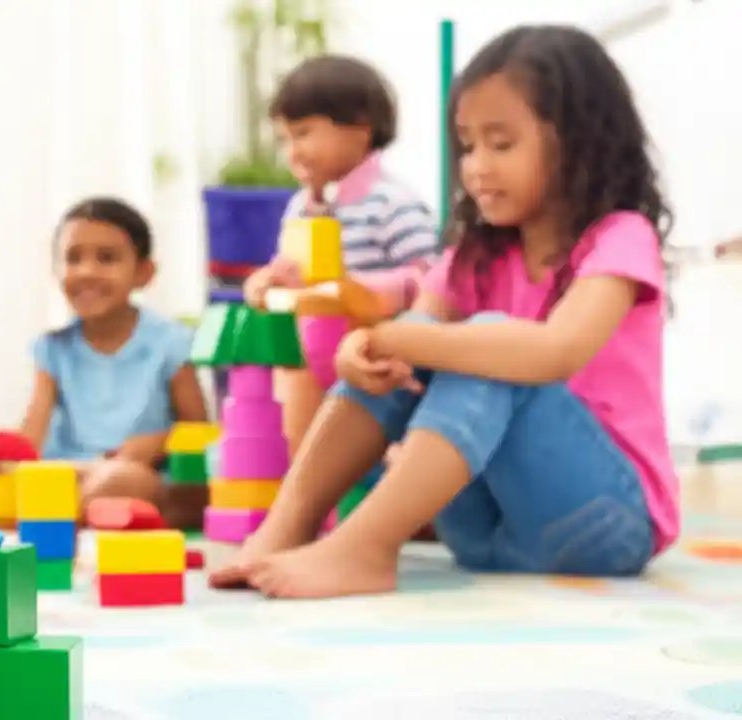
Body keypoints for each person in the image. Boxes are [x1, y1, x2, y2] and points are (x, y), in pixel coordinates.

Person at [210, 24, 677, 599]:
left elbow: (555, 351)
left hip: (603, 525)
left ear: (580, 141)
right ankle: (287, 526)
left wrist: (400, 340)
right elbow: (415, 332)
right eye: (468, 146)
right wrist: (365, 352)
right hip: (483, 533)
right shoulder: (473, 259)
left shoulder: (619, 238)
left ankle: (365, 548)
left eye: (501, 144)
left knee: (491, 345)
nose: (477, 166)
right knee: (435, 342)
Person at [242, 54, 439, 457]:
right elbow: (292, 274)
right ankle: (307, 500)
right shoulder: (300, 207)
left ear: (360, 130)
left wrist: (358, 290)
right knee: (291, 385)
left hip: (378, 354)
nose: (292, 151)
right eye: (285, 139)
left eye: (303, 133)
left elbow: (431, 279)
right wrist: (267, 283)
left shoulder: (392, 203)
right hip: (315, 356)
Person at [18, 197, 208, 506]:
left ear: (144, 272)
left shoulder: (170, 343)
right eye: (73, 258)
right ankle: (65, 514)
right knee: (0, 479)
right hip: (74, 471)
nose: (87, 271)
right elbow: (29, 439)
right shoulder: (52, 349)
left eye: (107, 258)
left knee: (120, 481)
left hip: (138, 476)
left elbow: (200, 434)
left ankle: (64, 517)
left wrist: (158, 442)